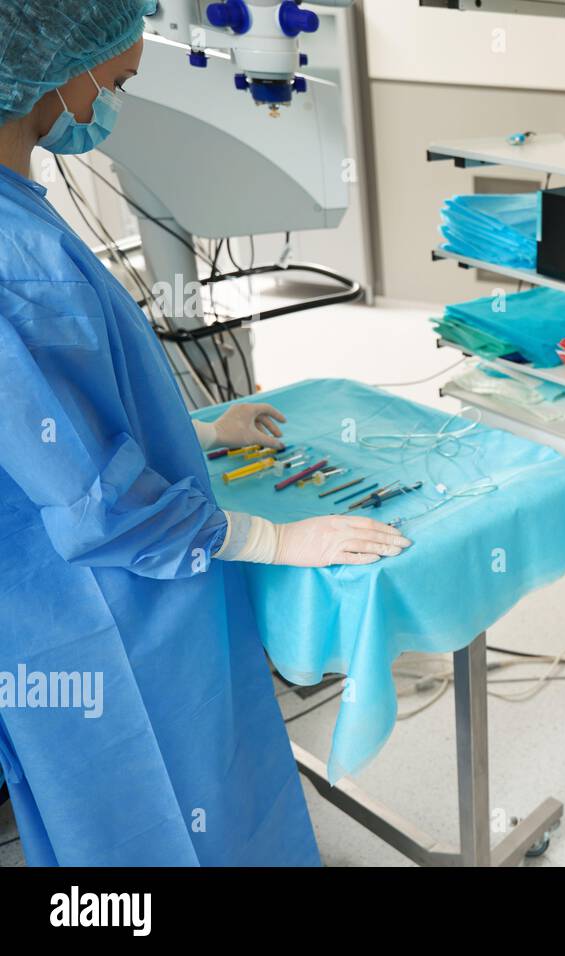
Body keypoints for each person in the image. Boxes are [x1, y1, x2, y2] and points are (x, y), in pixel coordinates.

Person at [0, 0, 411, 865]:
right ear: (47, 67)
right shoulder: (19, 263)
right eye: (115, 82)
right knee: (162, 810)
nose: (111, 103)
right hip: (101, 614)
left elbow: (59, 427)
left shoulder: (21, 213)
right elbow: (96, 504)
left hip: (61, 600)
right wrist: (274, 538)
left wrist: (198, 431)